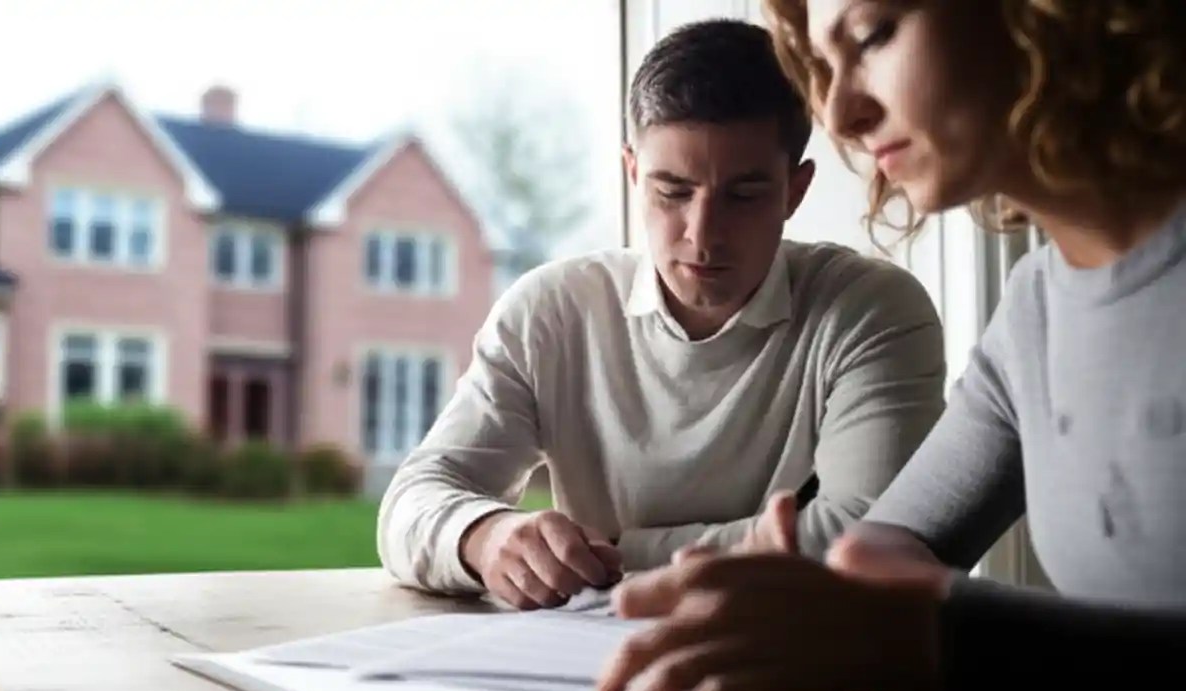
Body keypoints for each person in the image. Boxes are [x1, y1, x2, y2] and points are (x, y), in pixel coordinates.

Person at [592, 1, 1186, 691]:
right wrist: (787, 597)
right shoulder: (1035, 308)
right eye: (824, 66)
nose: (839, 114)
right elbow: (876, 555)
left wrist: (939, 640)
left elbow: (911, 620)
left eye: (872, 36)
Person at [375, 19, 946, 611]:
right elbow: (411, 501)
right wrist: (484, 537)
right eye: (672, 191)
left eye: (744, 195)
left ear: (794, 192)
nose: (703, 236)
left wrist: (617, 553)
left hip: (792, 666)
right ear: (632, 174)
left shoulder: (870, 311)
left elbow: (869, 533)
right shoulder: (551, 312)